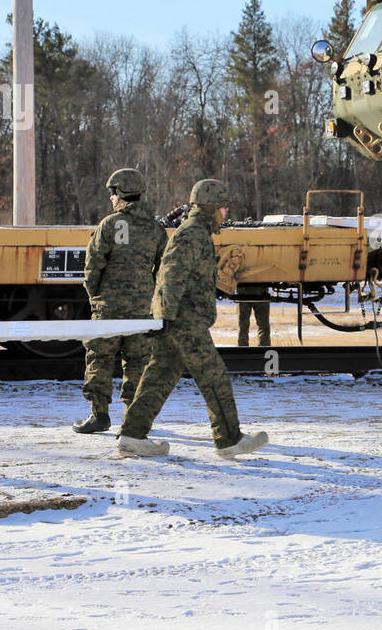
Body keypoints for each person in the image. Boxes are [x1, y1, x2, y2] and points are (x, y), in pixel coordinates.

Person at [114, 179, 269, 459]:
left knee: (158, 378)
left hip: (176, 320)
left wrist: (164, 318)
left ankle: (132, 436)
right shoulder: (193, 234)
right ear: (211, 207)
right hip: (184, 322)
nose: (226, 212)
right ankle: (229, 439)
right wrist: (167, 316)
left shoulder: (196, 232)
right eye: (223, 207)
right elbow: (171, 275)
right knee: (214, 377)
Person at [72, 168, 168, 433]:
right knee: (137, 362)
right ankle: (132, 419)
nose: (111, 199)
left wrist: (96, 298)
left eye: (113, 193)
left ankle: (99, 415)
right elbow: (163, 271)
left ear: (122, 194)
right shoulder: (156, 229)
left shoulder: (109, 225)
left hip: (108, 310)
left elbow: (92, 269)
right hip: (141, 309)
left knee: (100, 358)